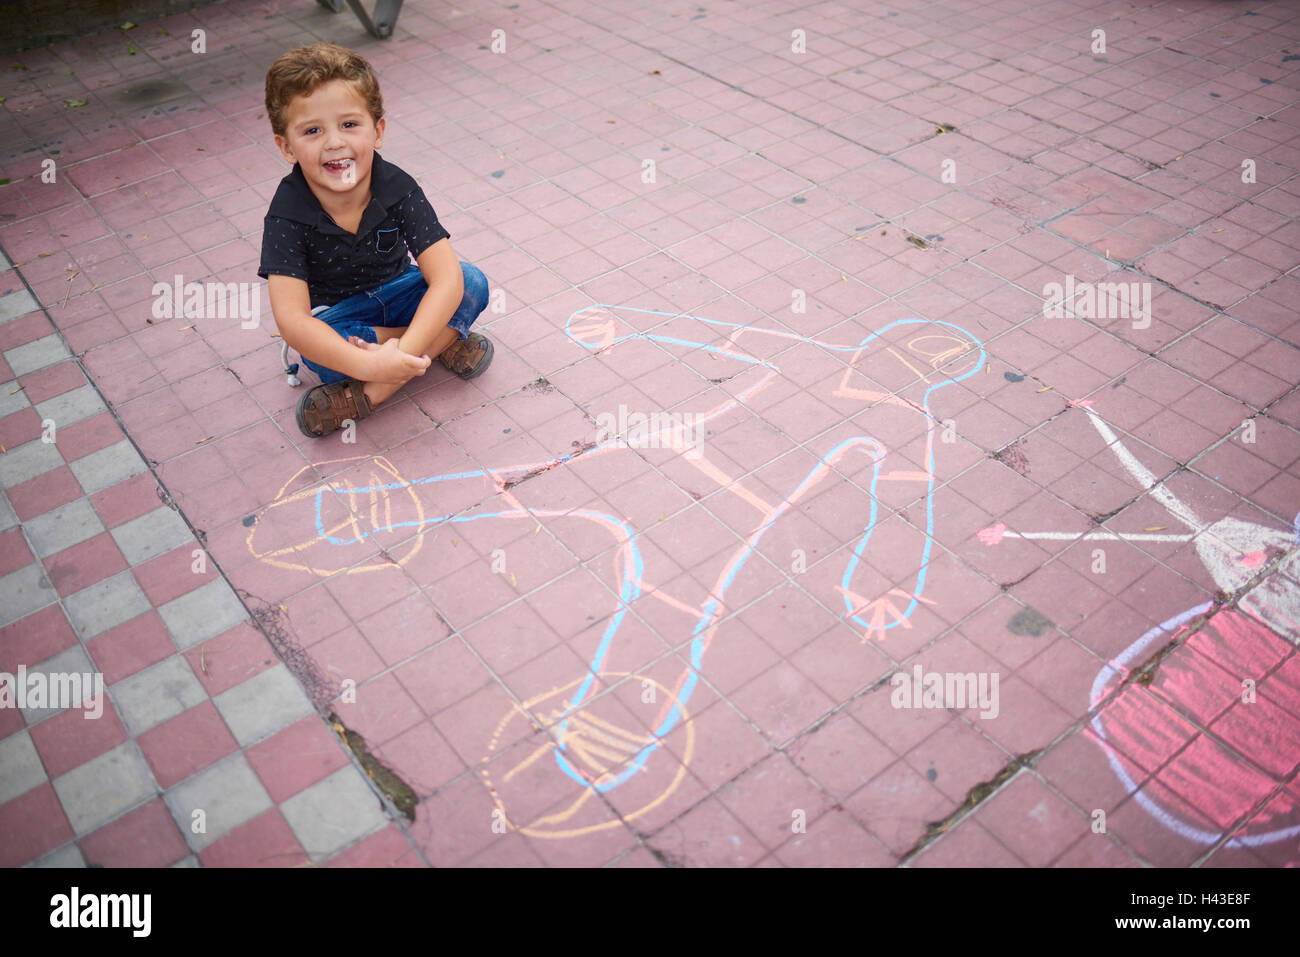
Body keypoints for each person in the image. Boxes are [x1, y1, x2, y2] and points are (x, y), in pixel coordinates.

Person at [258, 43, 493, 438]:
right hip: (342, 316)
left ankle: (366, 397)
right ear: (286, 146)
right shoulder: (286, 214)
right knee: (322, 352)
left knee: (471, 282)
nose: (334, 142)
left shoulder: (397, 187)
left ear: (378, 130)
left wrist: (390, 362)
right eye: (313, 130)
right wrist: (368, 361)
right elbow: (293, 321)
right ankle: (441, 340)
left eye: (349, 124)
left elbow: (447, 278)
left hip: (401, 292)